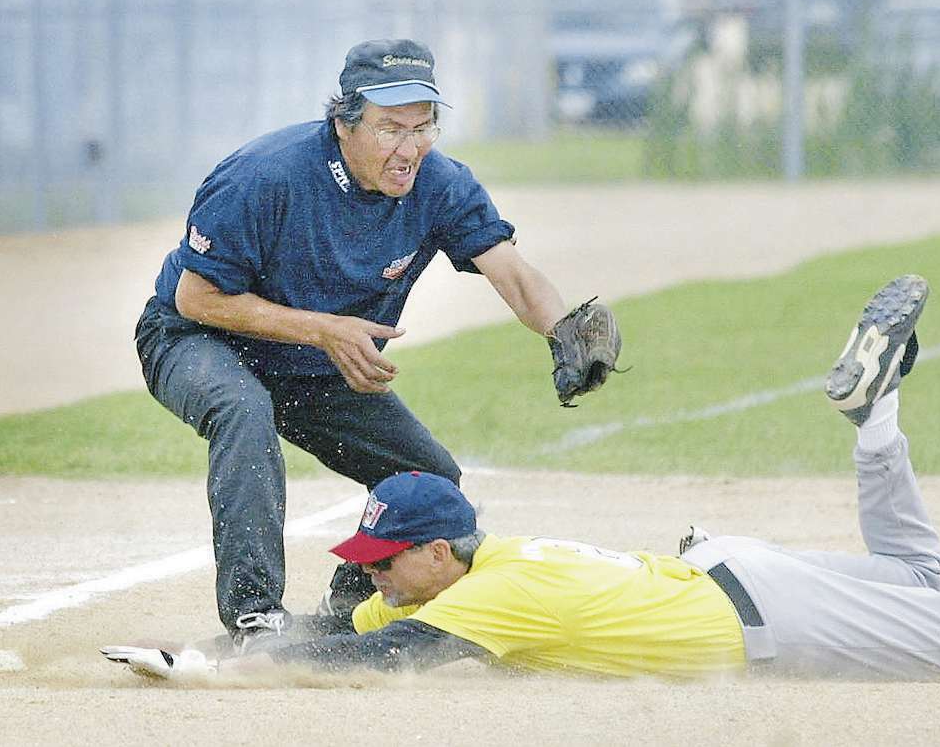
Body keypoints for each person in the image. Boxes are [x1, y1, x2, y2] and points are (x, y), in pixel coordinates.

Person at [109, 275, 940, 681]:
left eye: (384, 559)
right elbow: (335, 632)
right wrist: (207, 653)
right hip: (738, 579)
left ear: (439, 554)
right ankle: (876, 417)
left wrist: (219, 680)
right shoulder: (473, 570)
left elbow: (375, 658)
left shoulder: (489, 597)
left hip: (764, 613)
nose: (372, 572)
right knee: (920, 582)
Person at [133, 38, 608, 650]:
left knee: (428, 476)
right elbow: (196, 299)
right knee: (243, 412)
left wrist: (563, 328)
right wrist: (325, 330)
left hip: (312, 359)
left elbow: (511, 272)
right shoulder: (264, 175)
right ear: (344, 122)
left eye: (423, 126)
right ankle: (256, 622)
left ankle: (349, 615)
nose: (409, 148)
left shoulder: (440, 184)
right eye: (390, 128)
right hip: (197, 337)